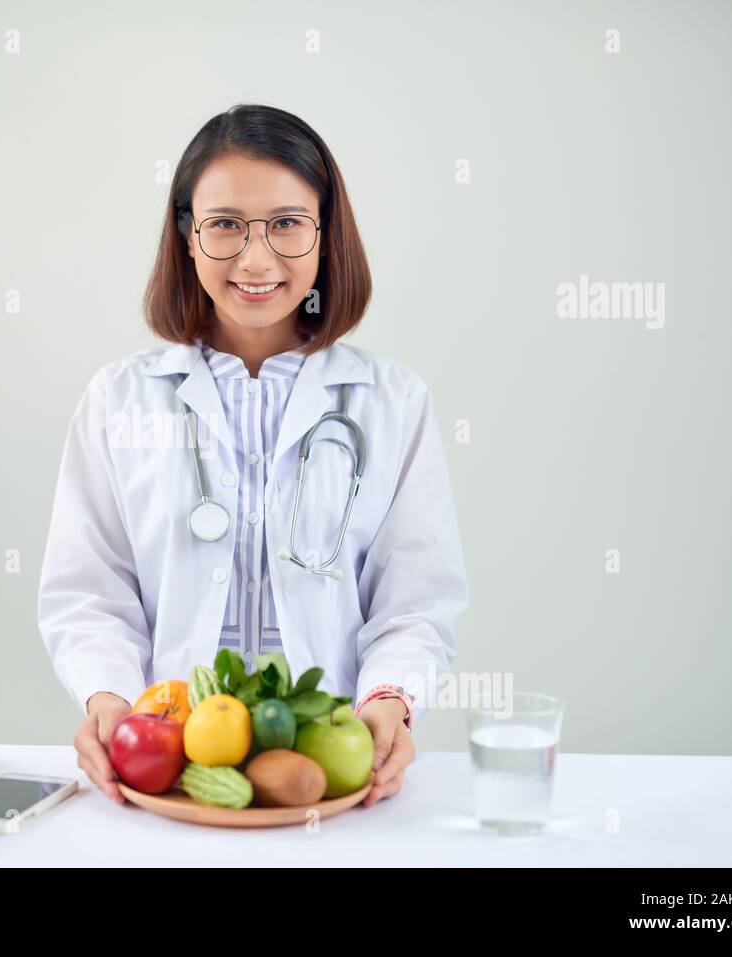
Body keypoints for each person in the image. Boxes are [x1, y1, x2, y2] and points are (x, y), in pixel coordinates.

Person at [38, 103, 469, 808]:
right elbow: (88, 592)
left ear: (327, 237)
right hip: (170, 757)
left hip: (331, 760)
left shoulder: (393, 402)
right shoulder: (119, 400)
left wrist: (391, 700)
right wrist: (108, 693)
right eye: (226, 224)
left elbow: (415, 603)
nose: (257, 258)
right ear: (187, 237)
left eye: (287, 223)